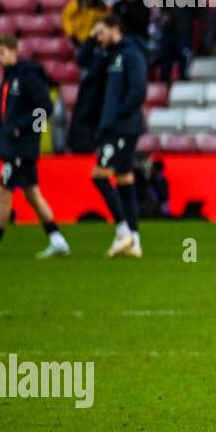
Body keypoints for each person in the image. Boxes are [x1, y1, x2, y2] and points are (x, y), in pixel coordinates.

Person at [0, 36, 71, 259]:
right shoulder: (8, 78)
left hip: (21, 147)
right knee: (32, 194)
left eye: (2, 53)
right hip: (12, 146)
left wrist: (27, 130)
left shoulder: (27, 75)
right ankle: (57, 239)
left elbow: (46, 106)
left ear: (14, 51)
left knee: (3, 192)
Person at [90, 16, 148, 259]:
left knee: (100, 176)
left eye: (101, 32)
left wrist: (119, 116)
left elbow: (138, 89)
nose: (98, 37)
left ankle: (123, 229)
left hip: (122, 128)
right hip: (116, 126)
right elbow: (84, 61)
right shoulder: (111, 55)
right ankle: (134, 240)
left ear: (116, 29)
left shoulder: (131, 54)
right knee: (124, 179)